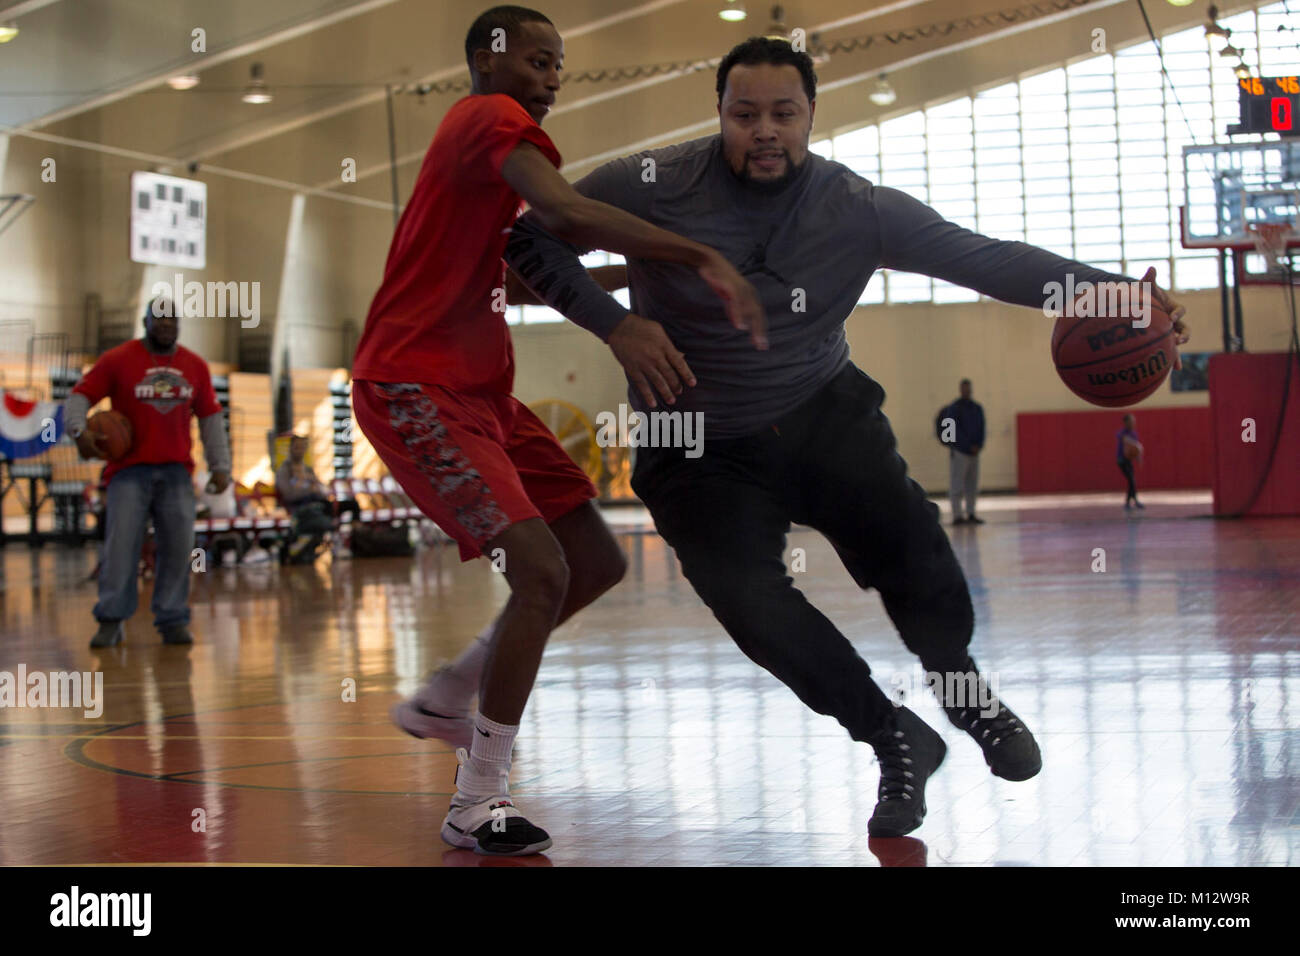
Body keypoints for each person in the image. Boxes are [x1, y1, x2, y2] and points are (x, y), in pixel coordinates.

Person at [505, 36, 1190, 838]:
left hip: (821, 409)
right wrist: (618, 325)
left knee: (913, 553)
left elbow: (991, 261)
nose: (764, 131)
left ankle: (963, 691)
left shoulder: (857, 208)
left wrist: (1116, 297)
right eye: (744, 114)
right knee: (750, 604)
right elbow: (528, 242)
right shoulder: (653, 185)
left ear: (812, 118)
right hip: (694, 439)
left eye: (783, 114)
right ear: (718, 115)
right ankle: (891, 735)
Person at [350, 5, 764, 855]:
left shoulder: (481, 172)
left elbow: (529, 274)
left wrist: (637, 273)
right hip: (414, 386)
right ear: (485, 57)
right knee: (540, 570)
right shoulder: (487, 120)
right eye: (537, 60)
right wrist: (696, 253)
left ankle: (446, 698)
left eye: (558, 66)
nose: (551, 78)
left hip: (483, 397)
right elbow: (568, 217)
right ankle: (475, 801)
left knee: (596, 561)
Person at [65, 298, 231, 648]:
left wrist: (221, 466)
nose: (167, 326)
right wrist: (79, 433)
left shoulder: (195, 366)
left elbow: (211, 419)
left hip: (176, 472)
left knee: (178, 548)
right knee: (121, 547)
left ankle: (172, 620)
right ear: (147, 322)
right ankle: (111, 619)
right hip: (129, 472)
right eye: (161, 320)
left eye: (173, 321)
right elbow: (79, 397)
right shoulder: (117, 359)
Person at [275, 434, 336, 563]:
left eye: (303, 447)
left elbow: (322, 491)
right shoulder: (284, 470)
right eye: (297, 447)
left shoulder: (308, 470)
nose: (300, 451)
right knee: (322, 520)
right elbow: (289, 494)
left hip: (316, 507)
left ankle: (307, 545)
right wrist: (309, 490)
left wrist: (314, 487)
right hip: (298, 510)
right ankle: (300, 546)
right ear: (290, 448)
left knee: (347, 505)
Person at [936, 378, 986, 525]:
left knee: (972, 484)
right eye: (964, 388)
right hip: (959, 452)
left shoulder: (977, 408)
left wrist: (979, 445)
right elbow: (952, 432)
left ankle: (971, 513)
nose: (967, 391)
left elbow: (982, 429)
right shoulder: (953, 408)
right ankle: (957, 515)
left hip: (974, 453)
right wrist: (966, 446)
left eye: (968, 388)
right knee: (957, 484)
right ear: (960, 390)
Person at [1117, 413, 1144, 511]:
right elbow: (1125, 440)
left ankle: (1130, 502)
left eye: (1134, 421)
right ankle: (1134, 501)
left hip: (1128, 460)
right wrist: (1138, 446)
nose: (1133, 423)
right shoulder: (1122, 432)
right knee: (1131, 480)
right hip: (1121, 460)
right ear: (1126, 422)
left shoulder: (1134, 433)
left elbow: (1134, 449)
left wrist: (1138, 457)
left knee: (1131, 480)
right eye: (1131, 421)